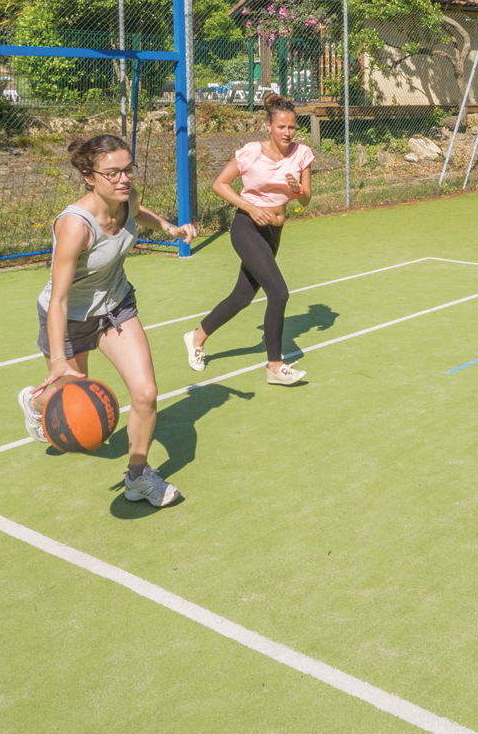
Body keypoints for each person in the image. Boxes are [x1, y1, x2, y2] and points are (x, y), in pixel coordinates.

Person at [17, 134, 196, 508]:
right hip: (69, 317)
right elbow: (59, 300)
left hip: (116, 307)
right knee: (69, 394)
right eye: (112, 173)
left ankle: (138, 477)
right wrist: (58, 360)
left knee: (145, 393)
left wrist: (169, 227)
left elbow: (139, 214)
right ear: (89, 176)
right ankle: (36, 402)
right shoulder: (75, 226)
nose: (124, 179)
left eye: (128, 169)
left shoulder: (127, 197)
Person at [183, 91, 314, 385]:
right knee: (279, 292)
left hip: (274, 232)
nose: (287, 132)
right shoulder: (251, 152)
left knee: (242, 296)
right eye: (281, 126)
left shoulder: (302, 154)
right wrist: (250, 207)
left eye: (292, 127)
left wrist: (298, 191)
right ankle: (275, 366)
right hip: (246, 228)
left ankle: (197, 336)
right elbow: (220, 184)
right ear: (269, 126)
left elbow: (306, 200)